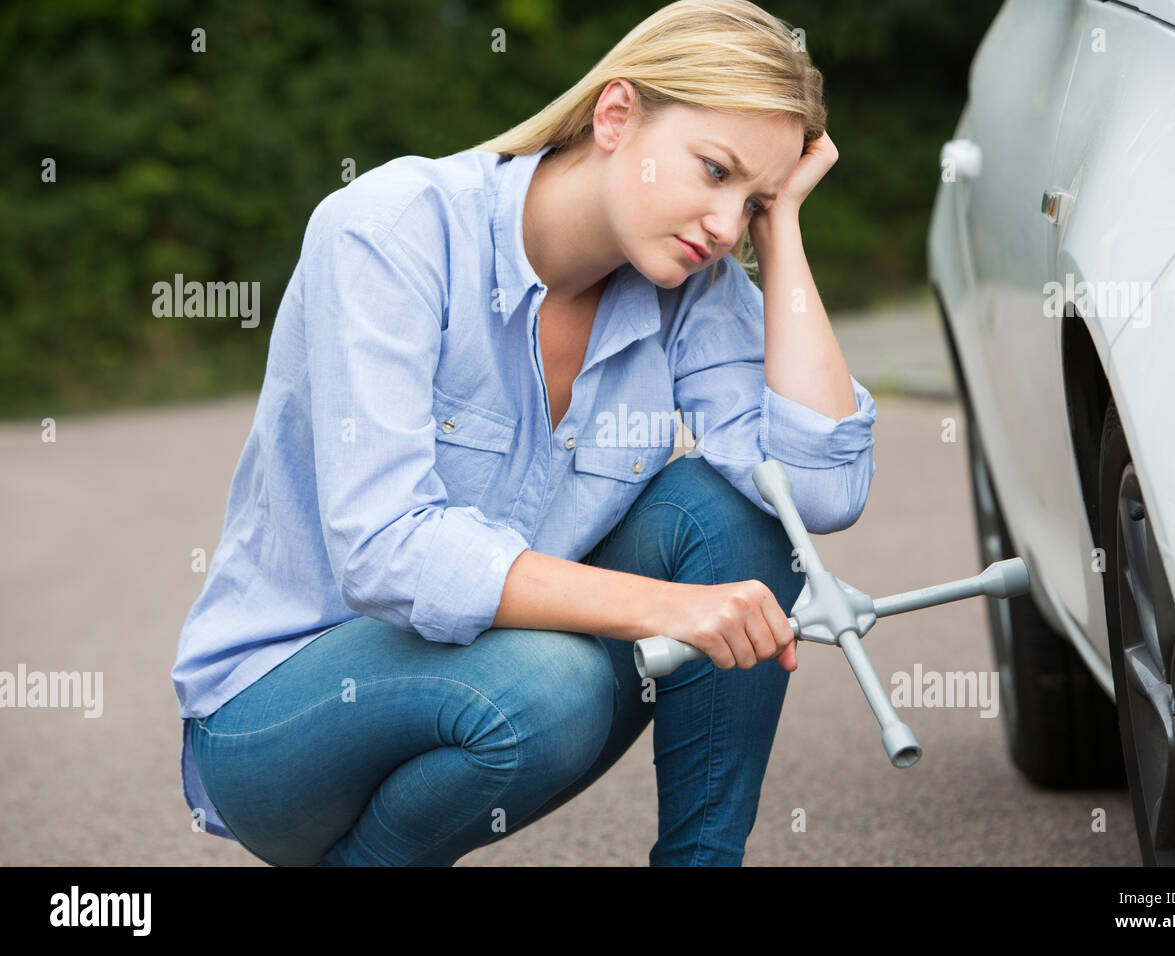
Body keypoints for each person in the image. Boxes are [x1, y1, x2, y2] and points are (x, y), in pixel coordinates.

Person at [171, 0, 878, 866]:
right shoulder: (394, 229)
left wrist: (786, 230)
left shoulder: (691, 286)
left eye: (754, 202)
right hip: (282, 716)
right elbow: (385, 549)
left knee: (739, 508)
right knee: (555, 686)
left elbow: (818, 493)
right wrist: (670, 608)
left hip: (510, 675)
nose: (726, 227)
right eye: (714, 171)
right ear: (616, 116)